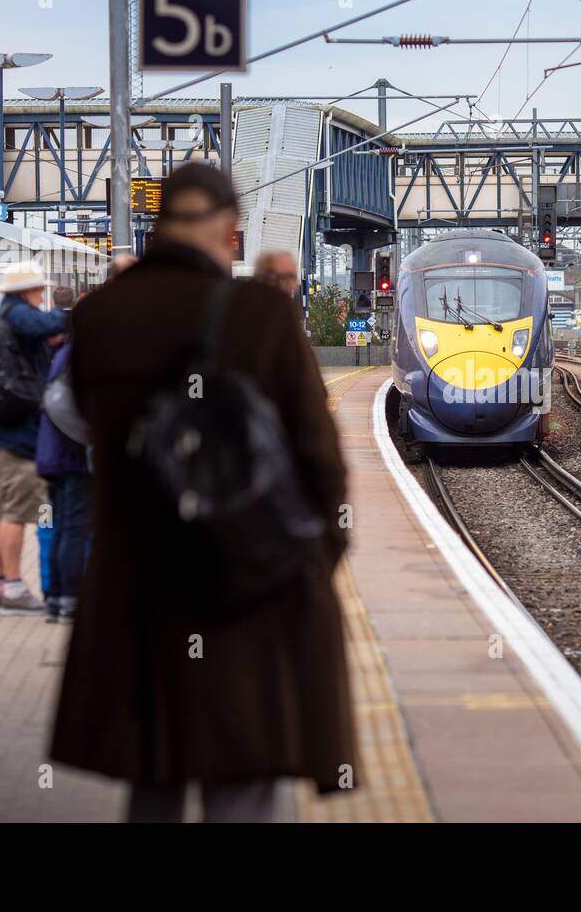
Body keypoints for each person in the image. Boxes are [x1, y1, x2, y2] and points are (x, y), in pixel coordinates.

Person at [50, 162, 354, 822]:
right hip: (244, 581)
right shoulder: (260, 314)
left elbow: (75, 417)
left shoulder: (101, 317)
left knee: (153, 770)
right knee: (242, 774)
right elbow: (320, 457)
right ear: (228, 232)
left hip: (136, 587)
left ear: (158, 230)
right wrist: (315, 557)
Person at [0, 261, 68, 616]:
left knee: (3, 509)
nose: (42, 296)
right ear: (27, 291)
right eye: (39, 290)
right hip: (15, 432)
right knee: (16, 511)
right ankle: (13, 589)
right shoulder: (18, 315)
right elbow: (52, 322)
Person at [35, 285, 89, 623]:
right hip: (73, 457)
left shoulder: (63, 354)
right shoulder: (80, 356)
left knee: (58, 526)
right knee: (73, 528)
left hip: (54, 454)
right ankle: (69, 600)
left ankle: (55, 597)